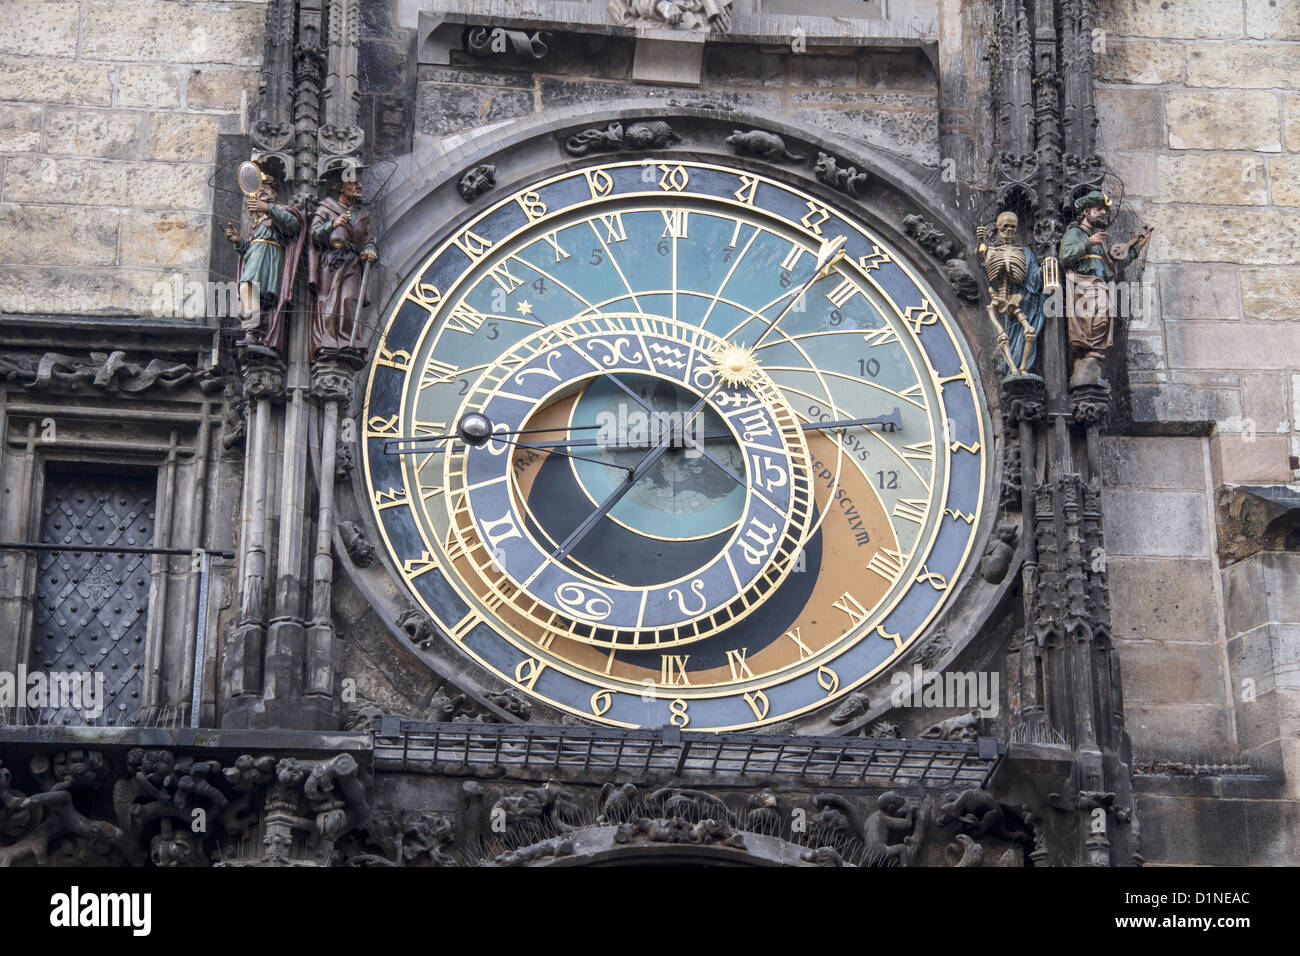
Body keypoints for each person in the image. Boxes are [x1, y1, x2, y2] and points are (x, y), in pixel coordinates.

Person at [1058, 189, 1151, 386]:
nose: (1102, 213)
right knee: (1092, 318)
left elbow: (1113, 265)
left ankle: (1092, 351)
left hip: (1100, 285)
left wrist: (1138, 246)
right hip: (1082, 286)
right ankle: (1083, 353)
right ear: (1085, 211)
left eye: (1104, 211)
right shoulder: (1076, 233)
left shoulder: (1099, 239)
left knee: (1104, 313)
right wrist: (1087, 241)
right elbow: (1065, 256)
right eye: (1098, 209)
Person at [221, 173, 304, 358]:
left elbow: (293, 226)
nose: (259, 195)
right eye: (257, 193)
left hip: (269, 259)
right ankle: (253, 332)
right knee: (247, 291)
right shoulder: (257, 223)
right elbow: (250, 248)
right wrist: (238, 241)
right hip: (255, 259)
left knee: (250, 290)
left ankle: (256, 332)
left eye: (264, 191)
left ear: (274, 192)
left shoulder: (281, 210)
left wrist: (269, 209)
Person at [308, 162, 378, 358]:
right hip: (331, 263)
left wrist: (370, 250)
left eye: (359, 183)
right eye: (354, 183)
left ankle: (349, 340)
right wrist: (332, 224)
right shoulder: (326, 208)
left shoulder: (363, 215)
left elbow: (369, 240)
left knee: (349, 299)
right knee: (329, 301)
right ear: (339, 186)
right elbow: (314, 235)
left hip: (353, 263)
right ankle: (328, 340)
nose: (359, 186)